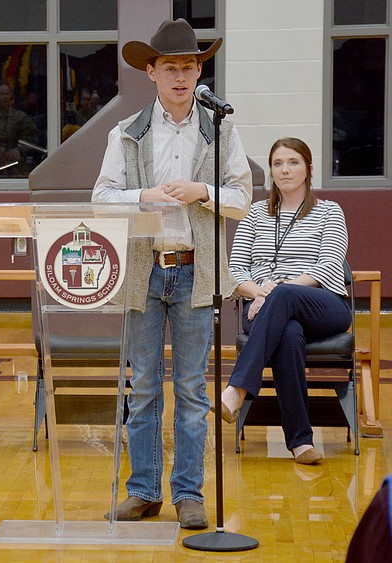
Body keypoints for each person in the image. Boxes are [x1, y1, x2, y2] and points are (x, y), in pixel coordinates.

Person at [91, 18, 252, 529]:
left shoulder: (220, 129)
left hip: (195, 273)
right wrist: (145, 195)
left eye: (188, 67)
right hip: (143, 272)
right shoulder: (127, 132)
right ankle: (143, 490)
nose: (180, 77)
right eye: (170, 68)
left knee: (191, 390)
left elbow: (243, 198)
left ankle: (188, 494)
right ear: (151, 72)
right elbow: (101, 200)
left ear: (199, 71)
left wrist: (203, 192)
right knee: (142, 388)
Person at [219, 137, 351, 465]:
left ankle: (237, 388)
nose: (285, 170)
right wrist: (260, 292)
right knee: (288, 333)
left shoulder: (329, 211)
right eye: (277, 163)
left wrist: (277, 291)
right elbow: (235, 271)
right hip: (264, 305)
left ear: (308, 169)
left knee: (285, 296)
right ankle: (301, 442)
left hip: (322, 304)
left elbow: (329, 265)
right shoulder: (254, 215)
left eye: (293, 162)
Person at [0, 83, 38, 175]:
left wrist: (19, 150)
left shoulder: (20, 117)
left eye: (7, 94)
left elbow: (30, 137)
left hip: (14, 157)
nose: (5, 97)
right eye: (2, 94)